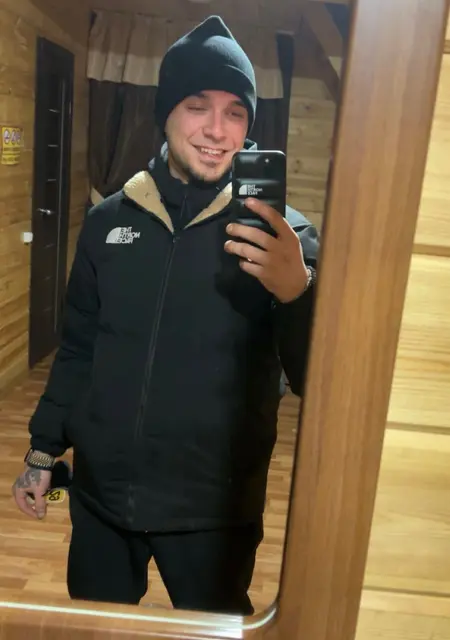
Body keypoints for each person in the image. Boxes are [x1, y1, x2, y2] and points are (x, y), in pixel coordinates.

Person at [12, 15, 319, 614]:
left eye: (236, 112)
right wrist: (43, 452)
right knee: (96, 629)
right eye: (197, 106)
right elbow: (79, 347)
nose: (217, 130)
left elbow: (314, 379)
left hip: (214, 511)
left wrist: (297, 293)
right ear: (166, 113)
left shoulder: (286, 238)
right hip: (101, 499)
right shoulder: (108, 222)